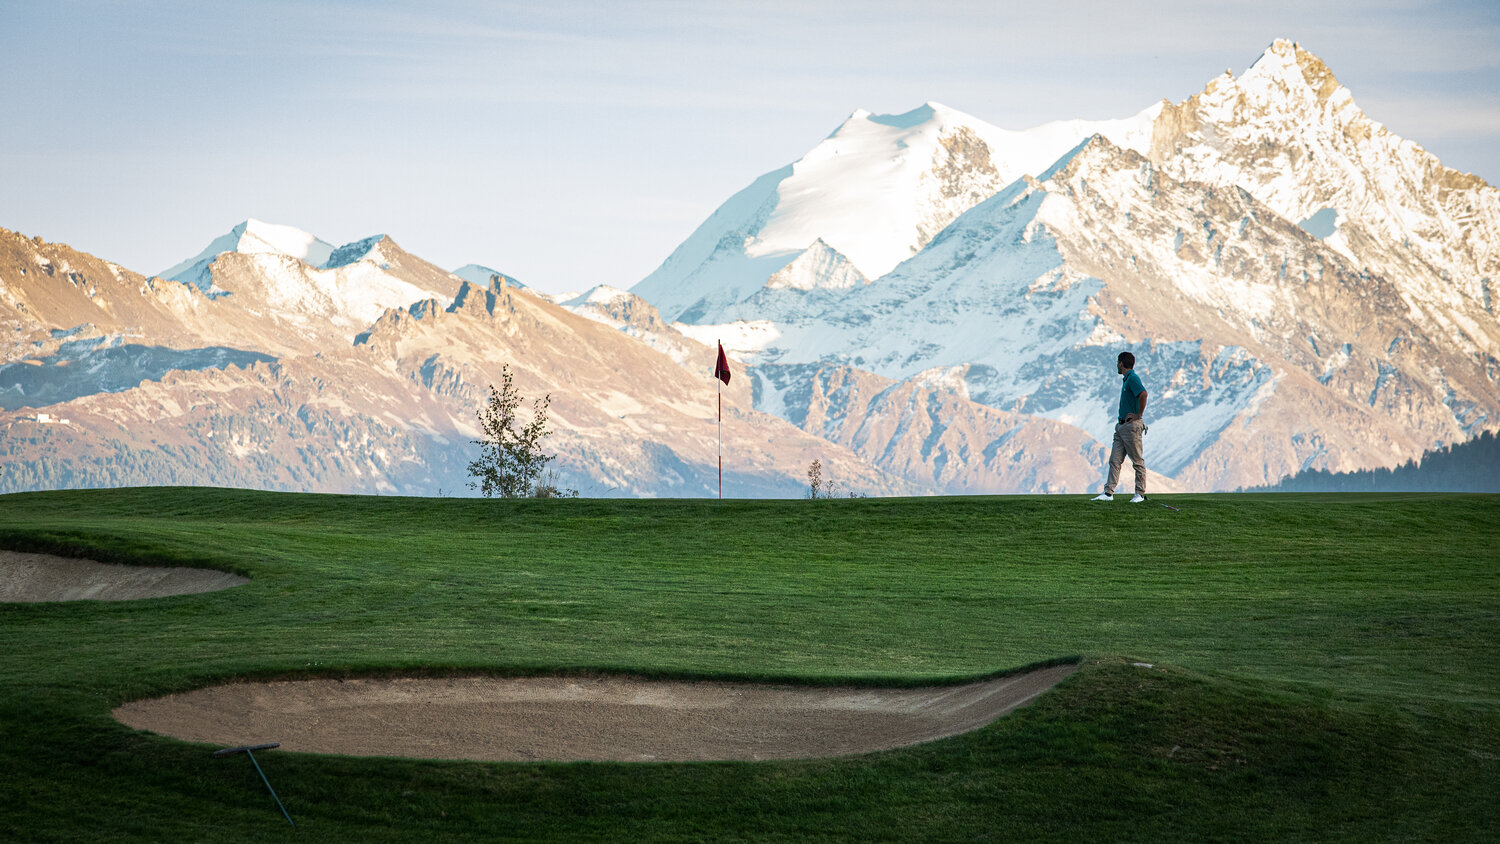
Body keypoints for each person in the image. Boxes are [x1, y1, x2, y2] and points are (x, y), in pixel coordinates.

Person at [1092, 351, 1148, 503]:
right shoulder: (1127, 380)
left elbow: (1143, 394)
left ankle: (1140, 494)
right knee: (1114, 460)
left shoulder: (1132, 379)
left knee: (1137, 461)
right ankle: (1108, 493)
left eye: (1118, 362)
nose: (1117, 365)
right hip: (1121, 426)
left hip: (1131, 427)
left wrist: (1138, 415)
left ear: (1122, 363)